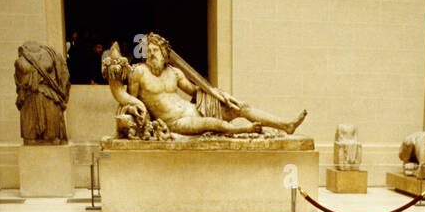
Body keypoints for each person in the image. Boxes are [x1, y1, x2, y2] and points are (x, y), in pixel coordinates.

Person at [104, 32, 306, 137]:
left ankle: (285, 125)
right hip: (175, 122)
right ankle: (244, 131)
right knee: (212, 124)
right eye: (148, 50)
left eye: (155, 51)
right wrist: (135, 105)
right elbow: (129, 96)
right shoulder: (140, 72)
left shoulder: (174, 72)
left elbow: (194, 90)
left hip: (193, 109)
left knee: (239, 107)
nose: (151, 55)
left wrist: (219, 95)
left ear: (165, 54)